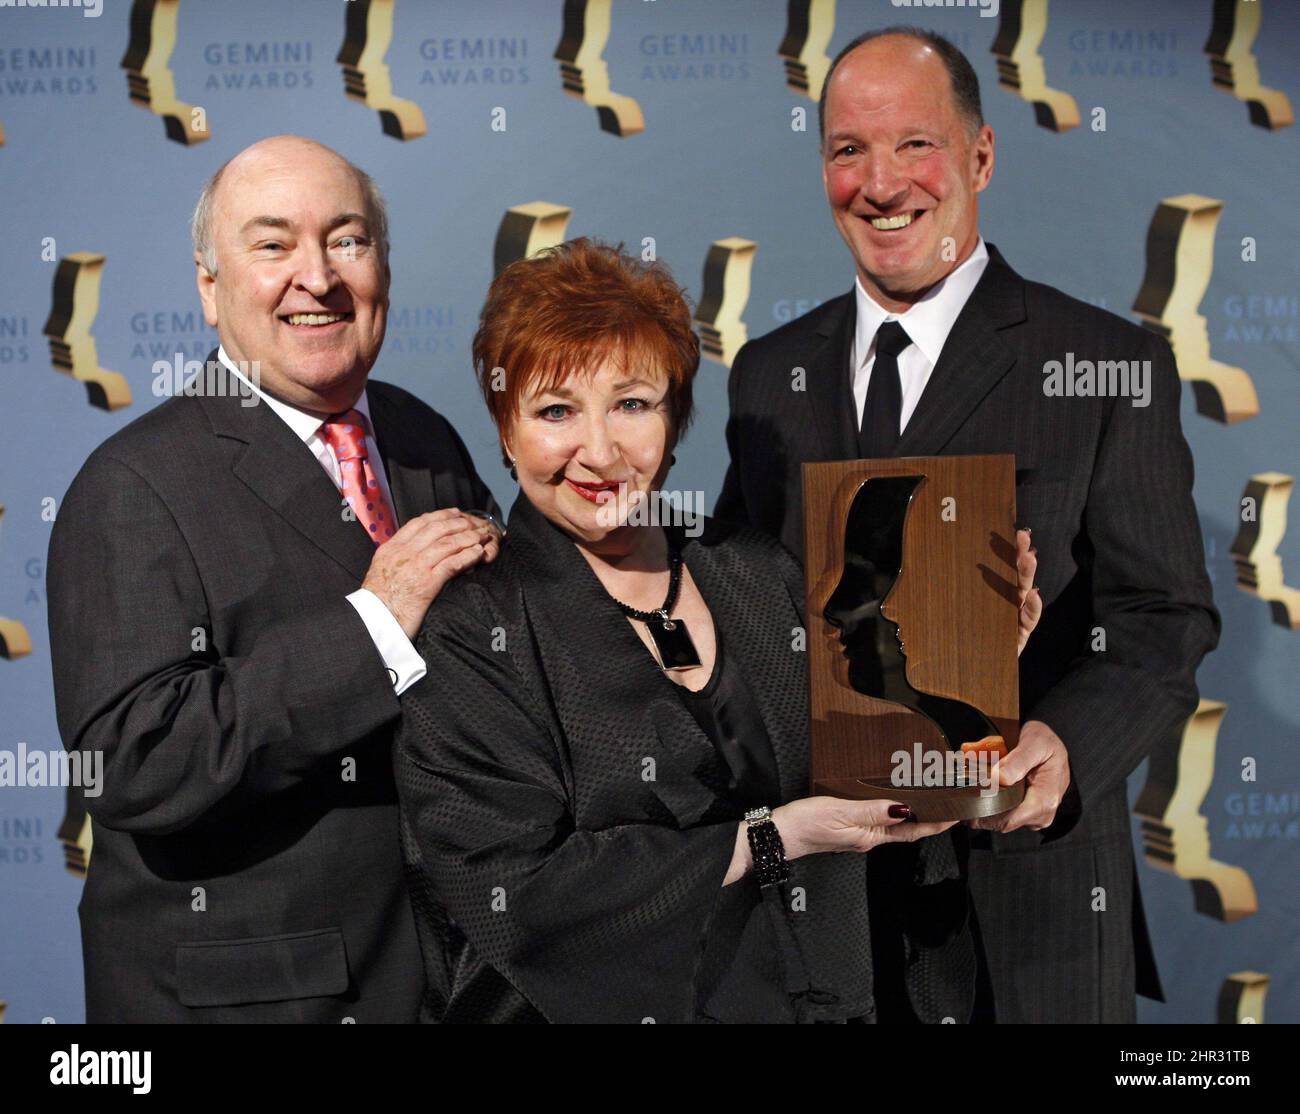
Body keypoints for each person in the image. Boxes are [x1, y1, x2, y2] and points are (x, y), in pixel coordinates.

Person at [394, 238, 1040, 1023]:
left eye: (632, 403)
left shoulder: (752, 567)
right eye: (556, 410)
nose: (599, 451)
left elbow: (870, 760)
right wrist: (770, 840)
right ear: (505, 429)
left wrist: (970, 663)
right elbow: (515, 892)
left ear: (675, 418)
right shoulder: (472, 628)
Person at [715, 28, 1221, 1023]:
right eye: (848, 149)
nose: (880, 181)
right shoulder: (769, 373)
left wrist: (1065, 741)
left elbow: (1164, 614)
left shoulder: (1104, 364)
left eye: (915, 144)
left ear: (980, 157)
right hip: (829, 918)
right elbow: (747, 605)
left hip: (1030, 906)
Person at [47, 136, 501, 1022]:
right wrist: (377, 624)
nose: (318, 277)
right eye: (272, 245)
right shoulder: (132, 485)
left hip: (443, 984)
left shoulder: (422, 437)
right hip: (253, 1000)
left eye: (347, 239)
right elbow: (133, 762)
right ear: (210, 289)